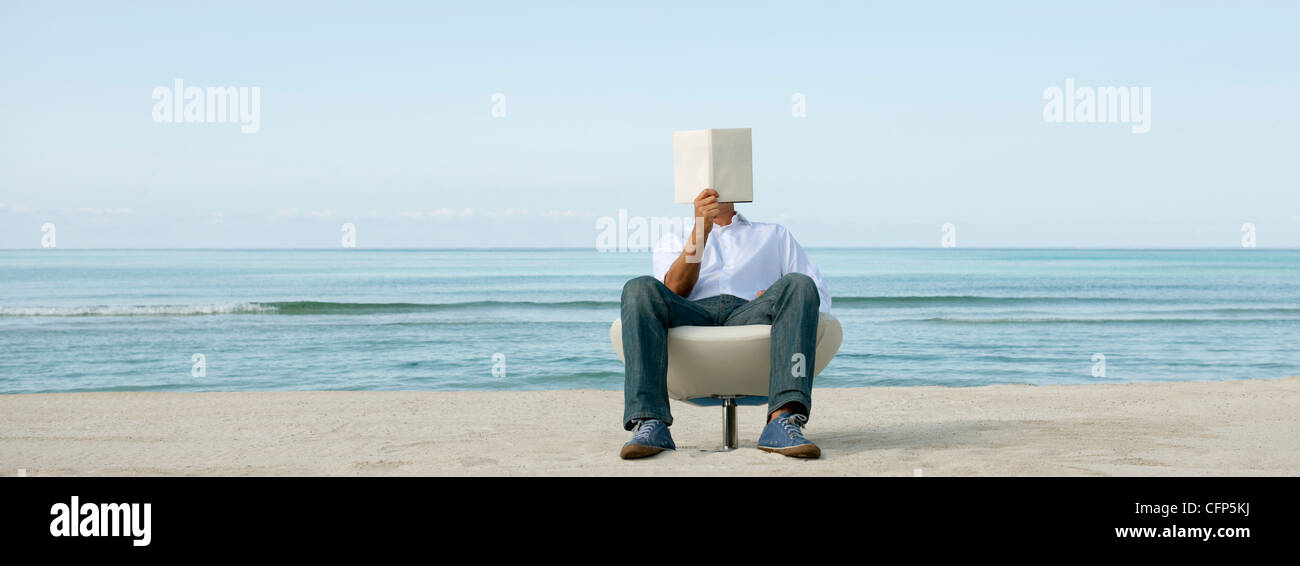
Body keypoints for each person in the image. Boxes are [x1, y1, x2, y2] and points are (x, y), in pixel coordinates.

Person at [619, 188, 832, 459]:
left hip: (751, 311)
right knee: (639, 288)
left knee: (800, 284)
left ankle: (783, 420)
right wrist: (700, 230)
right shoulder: (672, 238)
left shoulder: (774, 235)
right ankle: (650, 422)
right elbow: (674, 289)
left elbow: (819, 296)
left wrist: (773, 296)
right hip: (692, 313)